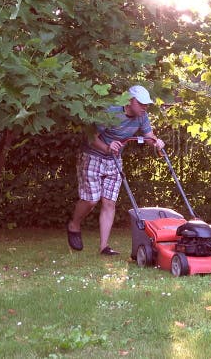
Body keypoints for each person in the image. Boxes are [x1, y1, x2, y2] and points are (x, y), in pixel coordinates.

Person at [66, 85, 165, 255]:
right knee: (91, 200)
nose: (145, 107)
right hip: (93, 156)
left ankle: (104, 247)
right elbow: (91, 138)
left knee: (109, 202)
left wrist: (156, 142)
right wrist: (107, 147)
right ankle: (74, 224)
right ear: (130, 101)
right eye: (141, 103)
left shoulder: (142, 116)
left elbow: (149, 137)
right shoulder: (110, 112)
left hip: (114, 159)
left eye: (146, 104)